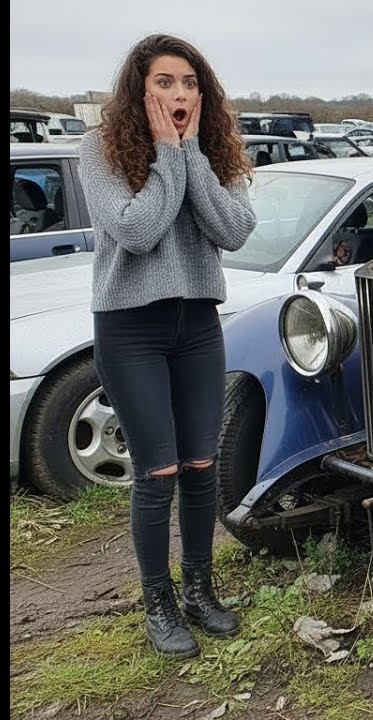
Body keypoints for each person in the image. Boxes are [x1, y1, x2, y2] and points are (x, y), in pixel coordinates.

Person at [80, 34, 256, 660]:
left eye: (188, 83)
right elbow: (137, 229)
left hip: (197, 326)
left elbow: (234, 230)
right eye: (164, 82)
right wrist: (165, 155)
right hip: (131, 330)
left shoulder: (216, 153)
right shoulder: (99, 151)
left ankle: (201, 591)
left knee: (202, 464)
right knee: (158, 471)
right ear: (140, 89)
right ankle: (159, 602)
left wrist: (194, 158)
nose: (178, 94)